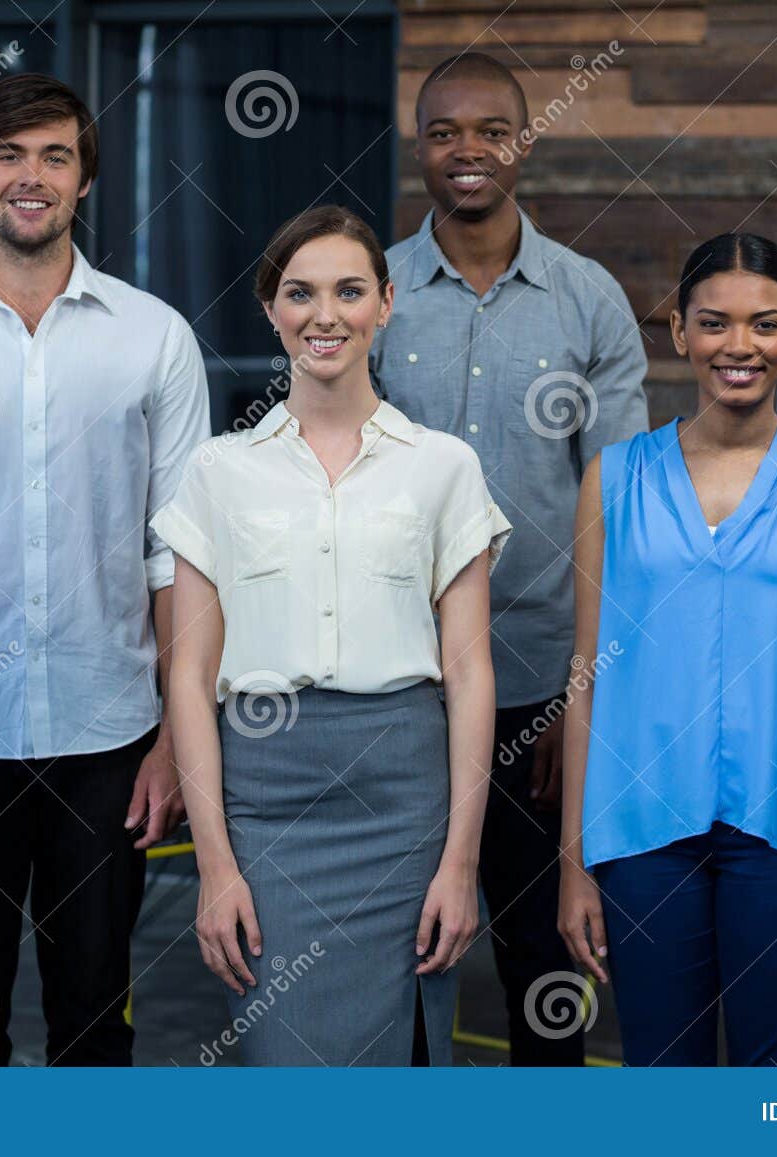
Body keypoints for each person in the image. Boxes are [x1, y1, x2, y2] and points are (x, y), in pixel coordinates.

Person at [153, 205, 511, 1066]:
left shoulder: (444, 465)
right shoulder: (217, 470)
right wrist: (215, 868)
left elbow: (469, 674)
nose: (326, 315)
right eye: (300, 293)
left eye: (350, 291)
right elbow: (190, 677)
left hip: (405, 800)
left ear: (384, 303)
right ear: (269, 308)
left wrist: (460, 864)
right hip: (266, 803)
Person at [0, 73, 210, 1066]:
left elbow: (179, 552)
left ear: (85, 178)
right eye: (9, 155)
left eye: (55, 156)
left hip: (108, 735)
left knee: (94, 1019)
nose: (30, 176)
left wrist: (173, 736)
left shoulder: (153, 335)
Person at [369, 51, 649, 1066]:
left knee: (544, 959)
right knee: (401, 955)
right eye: (445, 131)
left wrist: (584, 692)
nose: (469, 149)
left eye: (491, 130)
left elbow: (620, 513)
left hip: (538, 692)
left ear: (523, 143)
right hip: (399, 682)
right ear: (418, 146)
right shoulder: (370, 290)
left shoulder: (587, 299)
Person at [558, 233, 777, 1066]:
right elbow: (585, 677)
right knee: (659, 1072)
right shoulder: (613, 479)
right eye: (714, 322)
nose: (738, 345)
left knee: (773, 1080)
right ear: (679, 331)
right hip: (640, 834)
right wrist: (572, 862)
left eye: (765, 324)